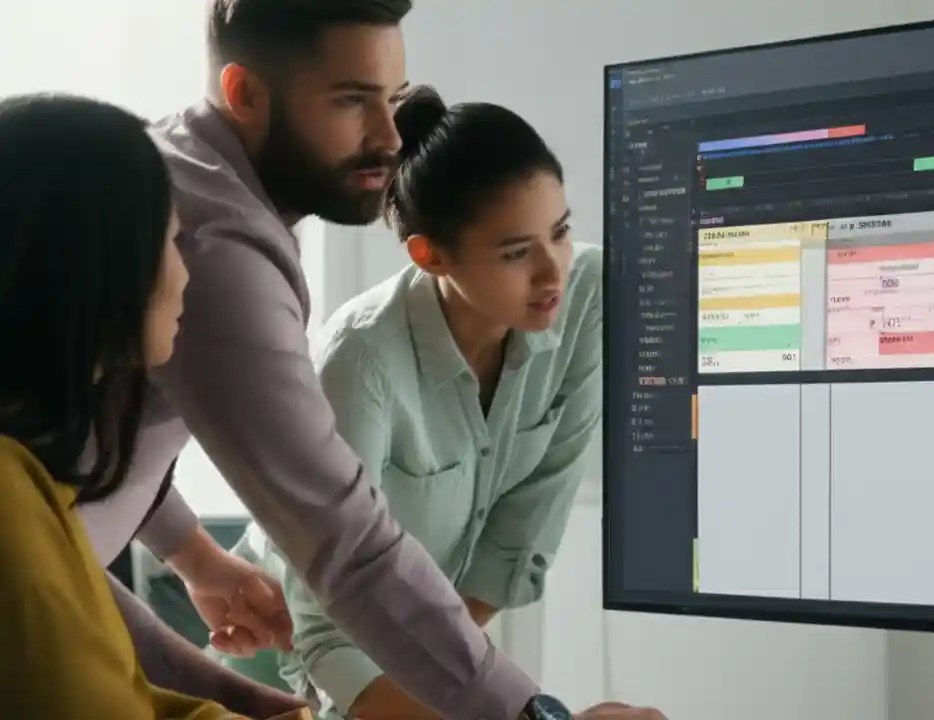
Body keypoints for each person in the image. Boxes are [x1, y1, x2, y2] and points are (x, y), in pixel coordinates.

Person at [70, 1, 662, 718]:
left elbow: (85, 456)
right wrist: (531, 715)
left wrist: (194, 557)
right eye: (352, 101)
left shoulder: (175, 176)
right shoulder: (222, 255)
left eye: (391, 98)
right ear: (245, 94)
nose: (389, 138)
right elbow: (347, 551)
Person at [215, 85, 607, 720]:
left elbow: (520, 530)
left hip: (407, 650)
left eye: (560, 232)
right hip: (288, 650)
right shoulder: (361, 361)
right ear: (430, 255)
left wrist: (454, 685)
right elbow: (325, 634)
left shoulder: (586, 297)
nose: (552, 272)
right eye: (515, 253)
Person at [0, 92, 308, 720]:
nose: (188, 272)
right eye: (171, 241)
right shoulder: (10, 499)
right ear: (104, 264)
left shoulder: (32, 480)